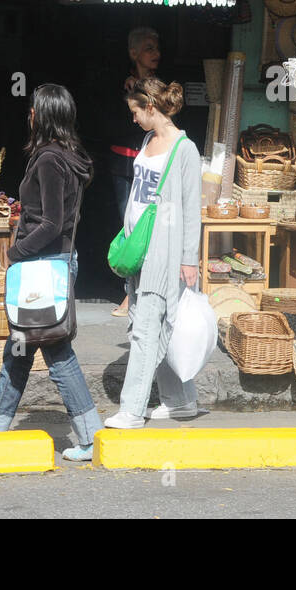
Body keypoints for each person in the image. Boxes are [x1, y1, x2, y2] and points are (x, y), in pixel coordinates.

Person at [0, 84, 103, 461]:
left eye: (33, 109)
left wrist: (14, 253)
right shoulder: (69, 156)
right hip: (55, 262)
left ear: (43, 115)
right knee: (21, 346)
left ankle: (91, 436)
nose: (28, 114)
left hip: (43, 265)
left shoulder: (49, 159)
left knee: (55, 349)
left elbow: (51, 223)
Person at [106, 77, 203, 429]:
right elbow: (136, 197)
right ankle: (181, 401)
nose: (133, 119)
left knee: (146, 329)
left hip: (165, 251)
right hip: (140, 247)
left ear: (150, 107)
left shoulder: (185, 149)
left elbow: (193, 207)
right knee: (154, 326)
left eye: (135, 111)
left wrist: (189, 258)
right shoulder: (147, 140)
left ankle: (132, 410)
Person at [108, 26, 162, 318]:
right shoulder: (121, 84)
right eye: (149, 48)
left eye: (156, 48)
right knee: (129, 228)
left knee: (149, 230)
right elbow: (115, 123)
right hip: (123, 164)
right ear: (133, 53)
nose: (156, 53)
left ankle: (146, 293)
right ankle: (129, 294)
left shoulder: (161, 89)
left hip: (151, 166)